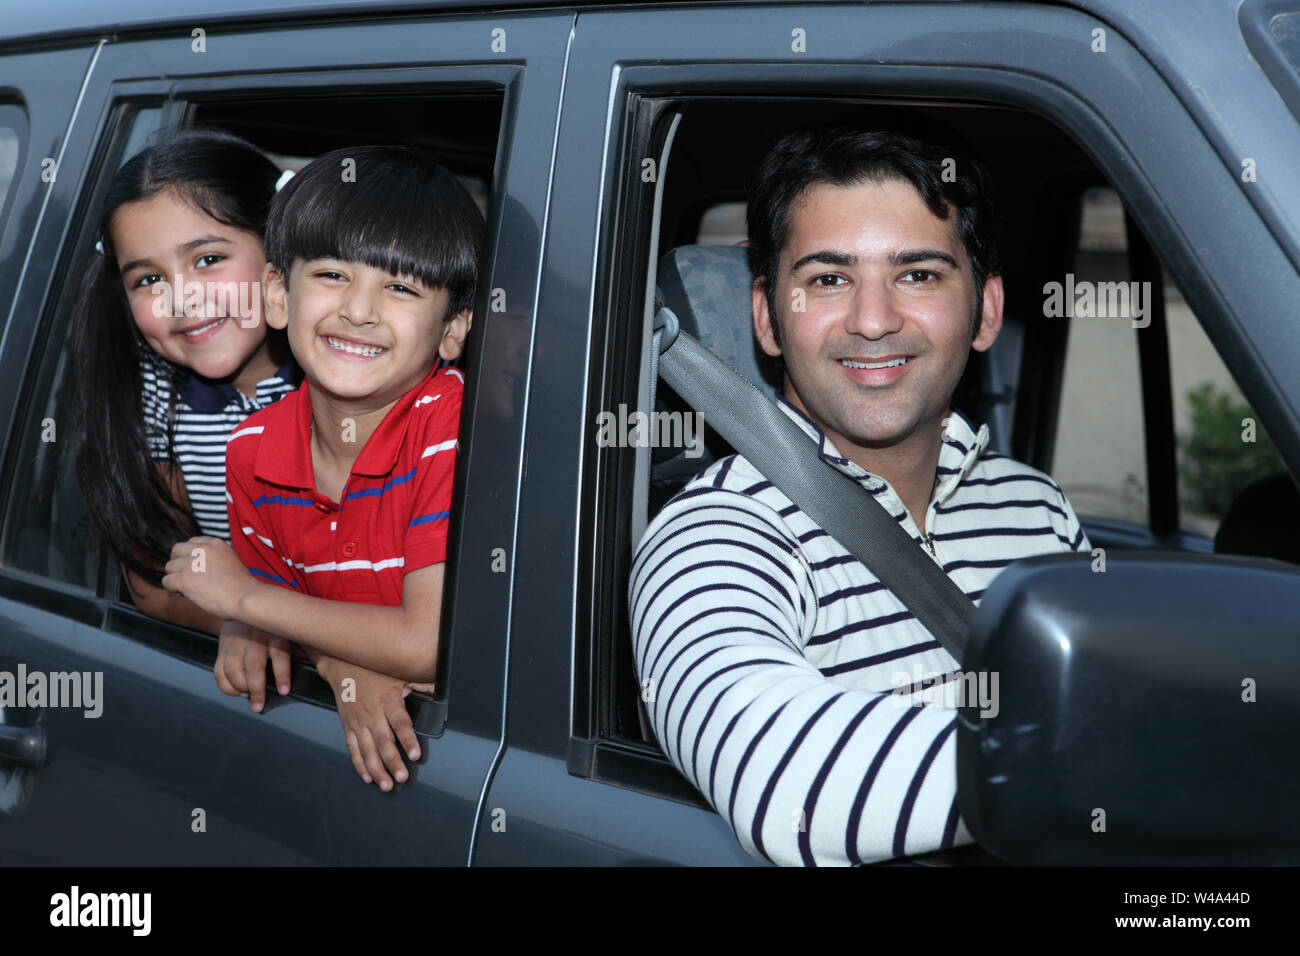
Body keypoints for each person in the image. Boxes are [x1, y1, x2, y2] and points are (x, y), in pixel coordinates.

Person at [628, 128, 1091, 866]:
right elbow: (787, 791)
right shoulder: (716, 532)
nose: (873, 321)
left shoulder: (1034, 506)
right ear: (765, 316)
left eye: (918, 275)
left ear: (988, 309)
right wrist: (1130, 741)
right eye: (828, 279)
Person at [161, 146, 484, 792]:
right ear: (279, 296)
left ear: (453, 331)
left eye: (400, 287)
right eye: (333, 275)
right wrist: (336, 665)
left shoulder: (451, 432)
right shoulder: (252, 450)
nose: (359, 311)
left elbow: (427, 643)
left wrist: (244, 601)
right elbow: (295, 617)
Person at [74, 129, 299, 637]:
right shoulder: (155, 394)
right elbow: (158, 580)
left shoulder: (347, 379)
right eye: (148, 279)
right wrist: (250, 627)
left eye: (208, 260)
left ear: (278, 250)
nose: (181, 299)